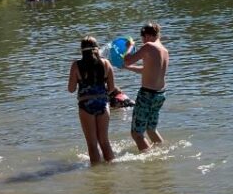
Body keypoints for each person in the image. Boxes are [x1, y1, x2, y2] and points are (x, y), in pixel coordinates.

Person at [69, 36, 118, 165]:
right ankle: (112, 167)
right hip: (102, 104)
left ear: (82, 50)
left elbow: (71, 89)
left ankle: (96, 173)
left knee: (92, 143)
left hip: (85, 105)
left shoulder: (76, 65)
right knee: (104, 141)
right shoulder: (106, 63)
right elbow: (112, 88)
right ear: (97, 48)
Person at [122, 22, 169, 152]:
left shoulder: (148, 46)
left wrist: (130, 47)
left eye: (142, 38)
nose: (142, 42)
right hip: (160, 94)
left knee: (137, 134)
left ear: (147, 36)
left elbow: (127, 59)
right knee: (151, 129)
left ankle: (150, 160)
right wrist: (129, 68)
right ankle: (162, 151)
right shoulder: (164, 51)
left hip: (147, 94)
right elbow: (147, 70)